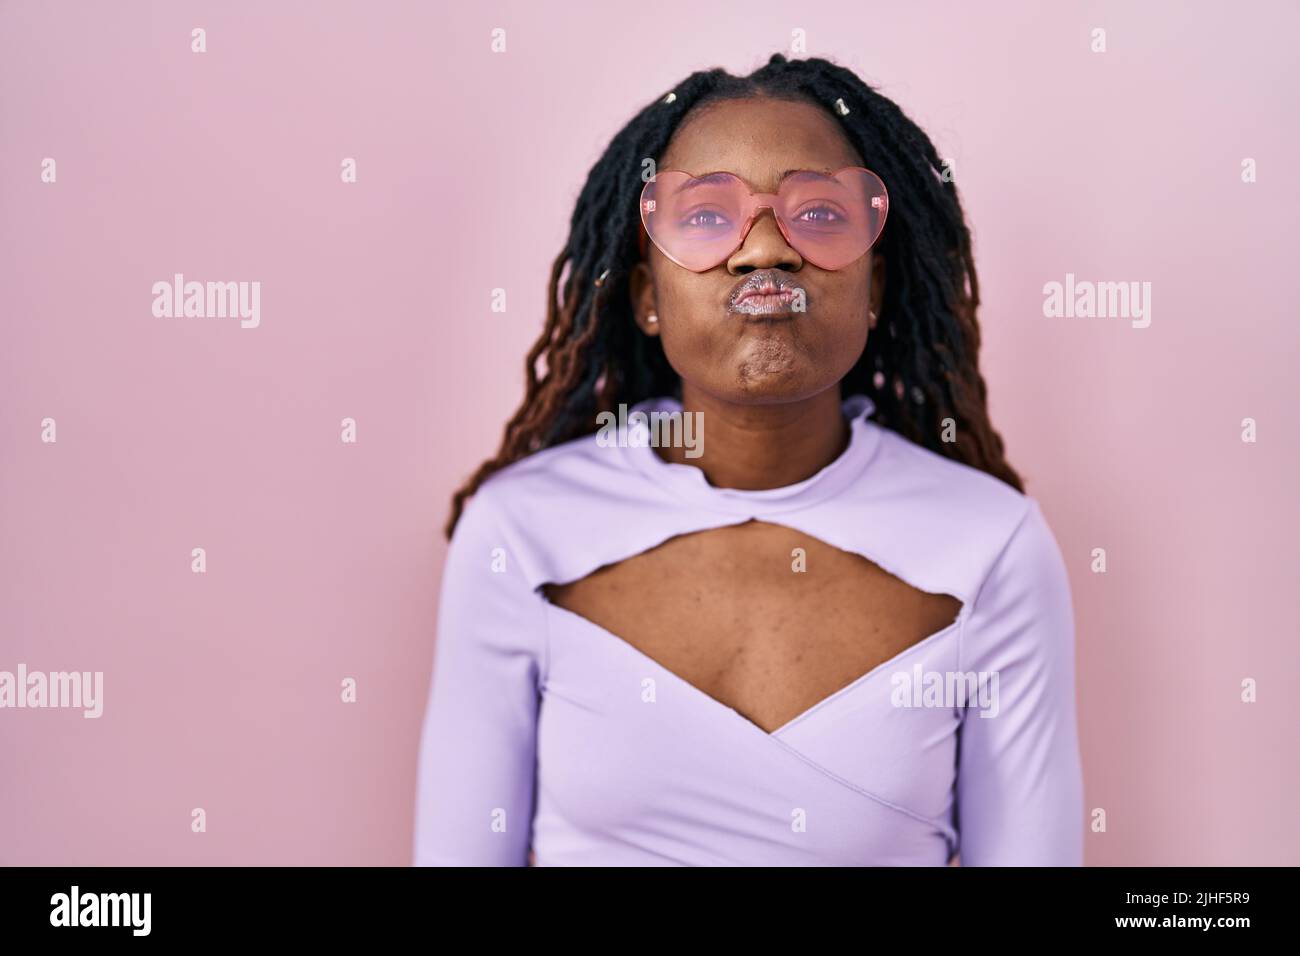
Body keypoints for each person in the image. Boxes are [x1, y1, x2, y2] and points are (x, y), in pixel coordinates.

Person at [413, 53, 1083, 866]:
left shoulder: (992, 546)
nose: (764, 251)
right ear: (646, 298)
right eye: (704, 217)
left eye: (822, 215)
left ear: (875, 286)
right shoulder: (520, 533)